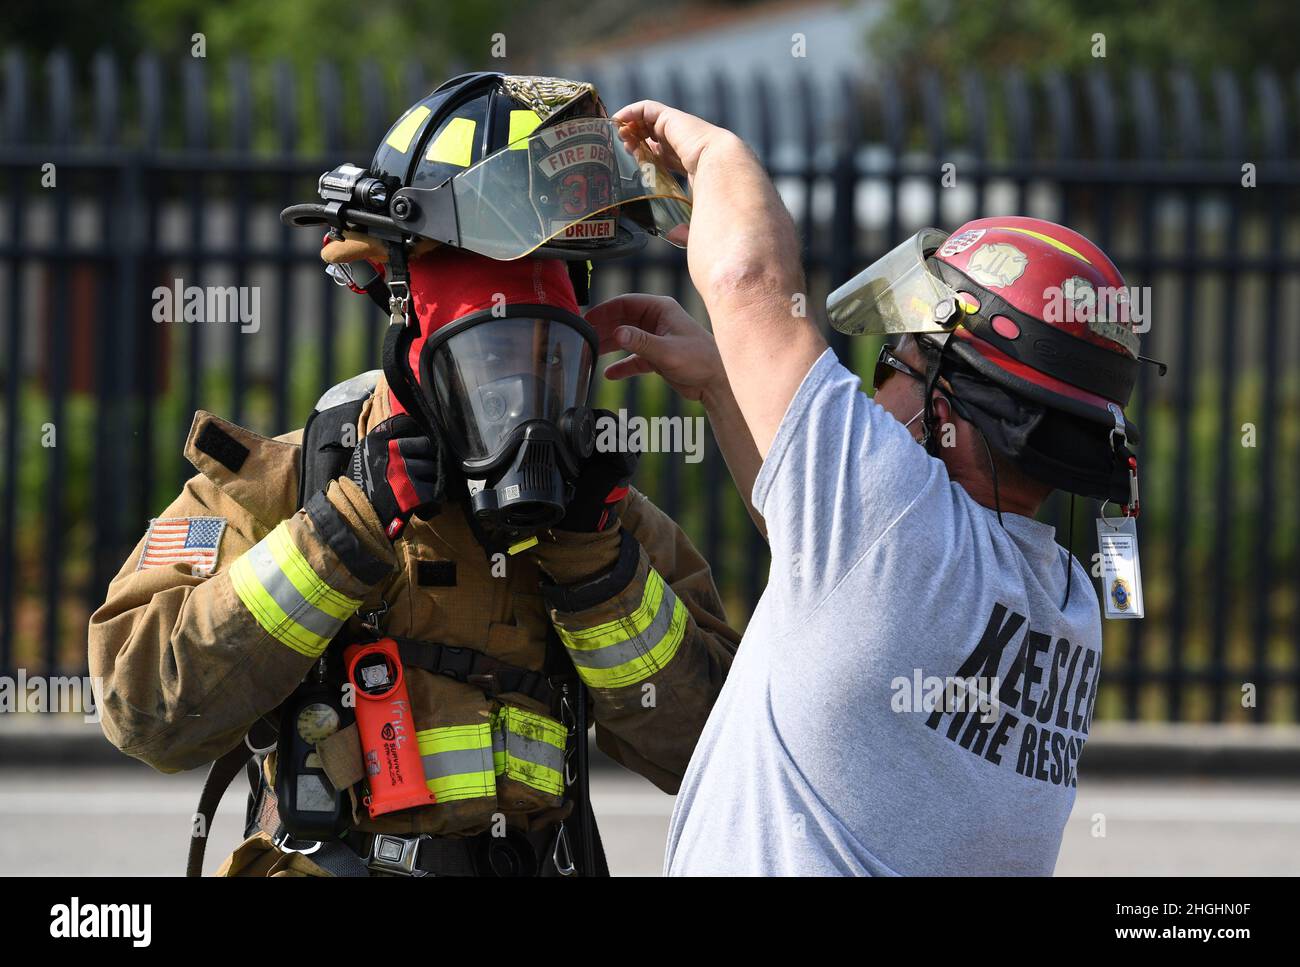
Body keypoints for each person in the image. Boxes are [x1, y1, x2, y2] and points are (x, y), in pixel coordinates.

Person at [88, 74, 738, 878]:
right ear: (405, 310)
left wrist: (595, 572)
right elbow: (139, 708)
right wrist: (340, 531)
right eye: (491, 352)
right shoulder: (280, 486)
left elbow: (723, 762)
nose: (521, 394)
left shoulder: (604, 526)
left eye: (547, 353)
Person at [589, 101, 1152, 875]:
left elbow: (748, 277)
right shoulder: (1066, 607)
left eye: (893, 362)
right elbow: (826, 556)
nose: (872, 385)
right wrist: (724, 384)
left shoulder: (890, 517)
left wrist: (715, 150)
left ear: (947, 406)